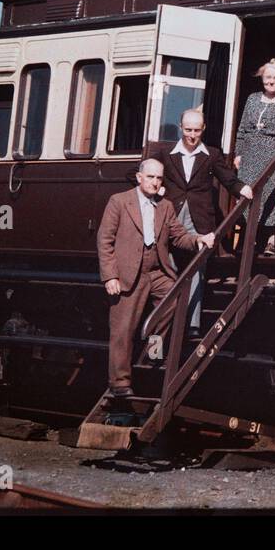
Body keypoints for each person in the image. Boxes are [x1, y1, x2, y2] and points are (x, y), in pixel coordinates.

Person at [97, 157, 215, 397]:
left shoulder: (165, 206)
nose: (154, 182)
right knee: (122, 330)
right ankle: (119, 384)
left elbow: (178, 236)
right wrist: (110, 276)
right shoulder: (119, 202)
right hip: (128, 274)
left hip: (157, 271)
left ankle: (151, 350)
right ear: (140, 177)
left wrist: (198, 240)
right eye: (150, 177)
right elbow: (104, 240)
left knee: (174, 298)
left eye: (159, 178)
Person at [143, 108, 252, 334]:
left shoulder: (211, 154)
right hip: (169, 216)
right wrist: (156, 188)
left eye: (196, 130)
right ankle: (167, 321)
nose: (192, 135)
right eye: (188, 130)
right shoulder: (165, 152)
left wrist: (243, 188)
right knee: (167, 266)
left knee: (196, 268)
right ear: (181, 128)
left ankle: (191, 324)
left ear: (203, 130)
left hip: (199, 219)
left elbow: (228, 179)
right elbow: (136, 173)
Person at [234, 58, 275, 257]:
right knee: (248, 195)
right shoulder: (252, 98)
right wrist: (239, 153)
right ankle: (249, 239)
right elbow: (241, 130)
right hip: (249, 155)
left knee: (270, 198)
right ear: (262, 78)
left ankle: (270, 242)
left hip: (272, 154)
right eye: (268, 77)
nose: (271, 81)